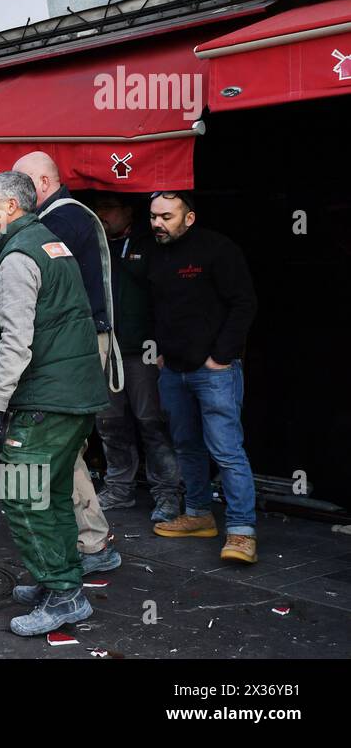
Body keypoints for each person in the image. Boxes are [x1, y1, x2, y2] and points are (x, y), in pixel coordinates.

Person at [0, 171, 110, 636]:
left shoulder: (17, 257)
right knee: (51, 493)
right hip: (75, 393)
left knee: (23, 493)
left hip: (46, 397)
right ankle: (60, 581)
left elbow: (16, 343)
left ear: (12, 207)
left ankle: (66, 596)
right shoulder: (51, 243)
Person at [12, 151, 118, 574]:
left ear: (40, 182)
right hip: (81, 344)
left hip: (76, 347)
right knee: (65, 445)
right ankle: (85, 542)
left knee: (59, 443)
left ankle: (88, 545)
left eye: (19, 187)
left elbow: (35, 286)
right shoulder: (67, 219)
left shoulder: (60, 222)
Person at [146, 191, 259, 563]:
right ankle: (198, 515)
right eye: (153, 217)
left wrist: (220, 357)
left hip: (213, 373)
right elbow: (159, 306)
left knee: (226, 450)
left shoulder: (218, 250)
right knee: (186, 447)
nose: (158, 224)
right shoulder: (158, 253)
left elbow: (244, 303)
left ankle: (242, 530)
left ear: (189, 218)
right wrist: (162, 351)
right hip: (173, 371)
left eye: (166, 217)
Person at [91, 195, 182, 522]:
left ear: (128, 211)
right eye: (99, 208)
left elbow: (167, 297)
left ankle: (168, 493)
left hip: (142, 350)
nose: (102, 214)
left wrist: (161, 345)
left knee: (152, 423)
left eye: (109, 207)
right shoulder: (91, 243)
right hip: (103, 349)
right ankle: (119, 488)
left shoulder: (150, 243)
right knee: (108, 423)